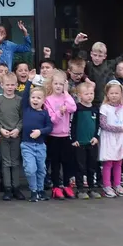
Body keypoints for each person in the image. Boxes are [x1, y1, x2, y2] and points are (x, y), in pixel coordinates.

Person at [44, 71, 78, 200]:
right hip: (53, 136)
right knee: (55, 163)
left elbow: (73, 108)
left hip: (65, 135)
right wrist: (60, 112)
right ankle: (56, 187)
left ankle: (67, 185)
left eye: (61, 84)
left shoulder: (66, 97)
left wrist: (67, 93)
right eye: (56, 83)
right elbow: (52, 119)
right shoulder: (48, 100)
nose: (58, 86)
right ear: (51, 84)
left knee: (67, 162)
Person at [0, 72, 25, 201]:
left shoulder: (19, 100)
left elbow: (22, 118)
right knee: (6, 162)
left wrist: (18, 129)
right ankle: (7, 188)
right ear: (2, 85)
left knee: (16, 162)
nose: (10, 87)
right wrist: (0, 129)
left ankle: (16, 187)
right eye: (7, 85)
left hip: (16, 135)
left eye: (12, 85)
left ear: (16, 85)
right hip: (3, 136)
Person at [98, 82, 123, 198]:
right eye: (111, 93)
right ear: (107, 94)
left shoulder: (122, 108)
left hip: (119, 138)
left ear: (121, 94)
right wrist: (121, 128)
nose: (114, 95)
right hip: (109, 137)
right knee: (108, 162)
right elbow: (104, 125)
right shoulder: (104, 108)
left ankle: (117, 184)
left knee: (118, 162)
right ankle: (107, 185)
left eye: (116, 93)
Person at [21, 87, 52, 202]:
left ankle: (40, 190)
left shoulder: (44, 113)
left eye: (39, 98)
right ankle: (33, 190)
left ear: (44, 100)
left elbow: (49, 127)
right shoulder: (26, 109)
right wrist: (29, 81)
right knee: (30, 169)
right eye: (33, 97)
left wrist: (40, 132)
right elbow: (24, 96)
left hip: (40, 146)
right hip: (27, 145)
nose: (35, 100)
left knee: (41, 169)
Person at [72, 81, 101, 199]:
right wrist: (73, 139)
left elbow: (98, 125)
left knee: (92, 166)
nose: (89, 96)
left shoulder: (95, 109)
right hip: (79, 143)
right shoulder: (76, 109)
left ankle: (92, 188)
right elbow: (72, 125)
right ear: (79, 95)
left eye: (91, 93)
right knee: (80, 167)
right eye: (86, 94)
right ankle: (80, 189)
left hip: (92, 142)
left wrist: (96, 137)